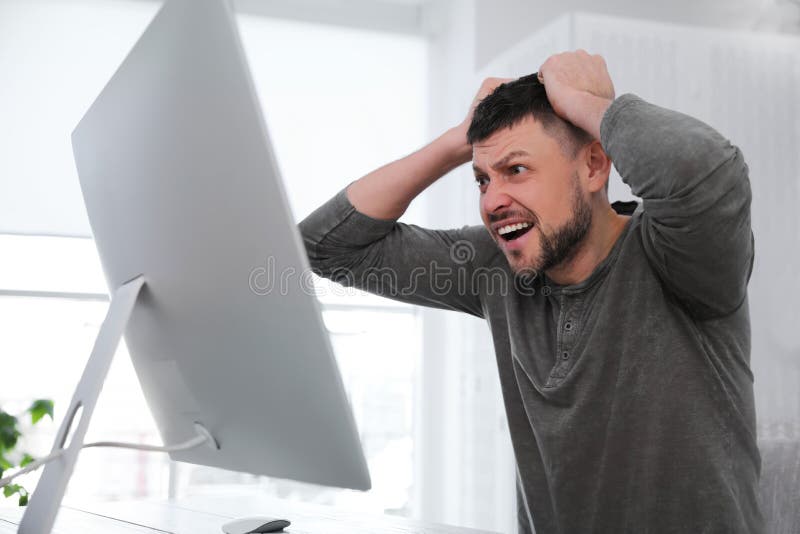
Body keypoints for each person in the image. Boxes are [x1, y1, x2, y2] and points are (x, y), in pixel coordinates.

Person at [299, 50, 762, 533]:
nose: (493, 200)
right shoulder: (495, 269)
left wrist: (583, 103)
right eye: (482, 179)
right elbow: (324, 248)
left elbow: (704, 170)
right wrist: (461, 138)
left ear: (594, 167)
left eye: (516, 170)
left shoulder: (685, 256)